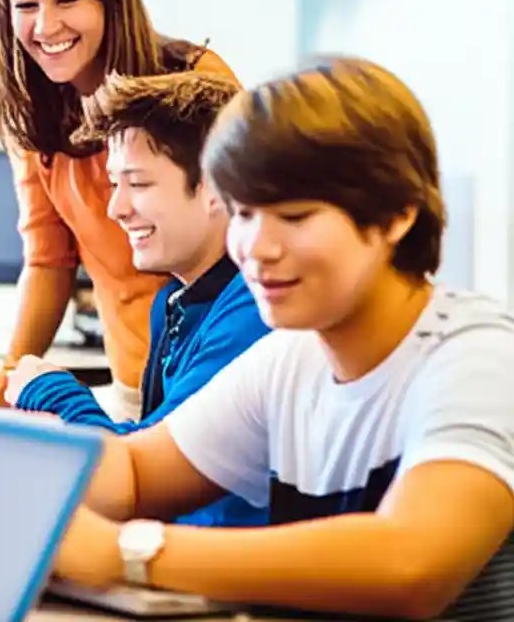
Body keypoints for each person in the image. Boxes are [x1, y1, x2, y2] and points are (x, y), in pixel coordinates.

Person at [53, 58, 513, 620]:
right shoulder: (291, 357)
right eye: (244, 214)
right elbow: (132, 474)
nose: (258, 248)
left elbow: (411, 564)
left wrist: (127, 553)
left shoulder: (479, 355)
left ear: (397, 215)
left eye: (294, 216)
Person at [0, 0, 238, 412]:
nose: (46, 25)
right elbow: (47, 262)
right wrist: (3, 385)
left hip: (210, 381)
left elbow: (249, 231)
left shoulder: (191, 85)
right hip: (132, 387)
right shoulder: (34, 116)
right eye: (26, 5)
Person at [0, 70, 271, 528]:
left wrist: (51, 390)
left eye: (137, 184)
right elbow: (146, 451)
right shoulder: (176, 301)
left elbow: (138, 483)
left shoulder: (251, 312)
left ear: (215, 189)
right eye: (113, 185)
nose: (116, 209)